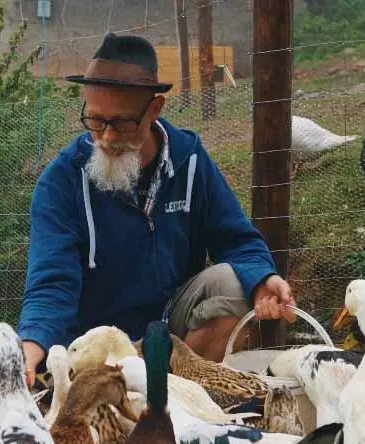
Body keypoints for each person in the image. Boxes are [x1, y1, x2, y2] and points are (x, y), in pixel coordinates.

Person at [17, 33, 295, 387]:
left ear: (155, 108)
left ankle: (177, 398)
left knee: (232, 282)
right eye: (96, 120)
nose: (105, 136)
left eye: (120, 123)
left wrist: (261, 279)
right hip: (97, 345)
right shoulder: (61, 182)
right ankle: (128, 394)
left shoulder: (190, 162)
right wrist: (30, 349)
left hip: (170, 335)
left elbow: (238, 240)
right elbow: (50, 283)